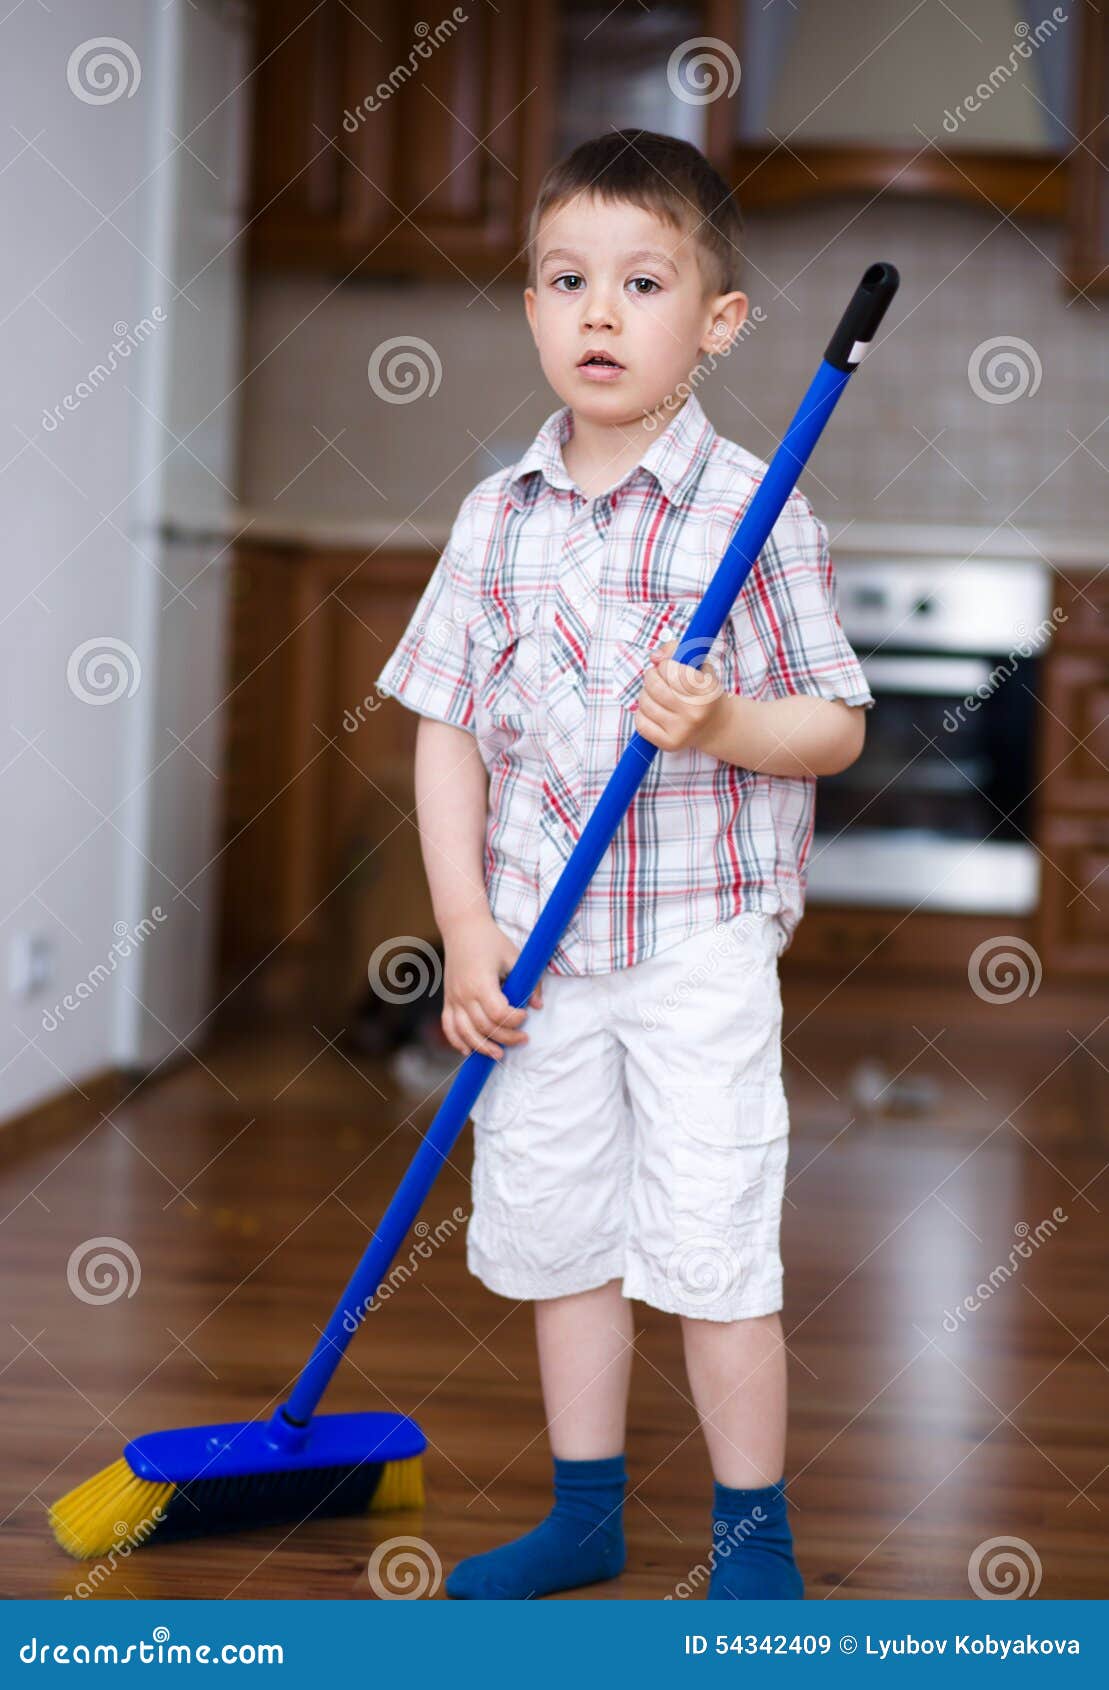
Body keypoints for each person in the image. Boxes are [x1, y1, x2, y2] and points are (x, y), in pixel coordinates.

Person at [374, 128, 872, 1601]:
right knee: (555, 1234)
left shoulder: (755, 514)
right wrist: (462, 928)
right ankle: (582, 1514)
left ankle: (750, 1545)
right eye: (564, 279)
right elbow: (448, 734)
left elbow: (835, 729)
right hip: (533, 954)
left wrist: (723, 719)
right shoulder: (494, 520)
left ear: (714, 323)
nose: (597, 312)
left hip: (696, 945)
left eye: (641, 281)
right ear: (528, 306)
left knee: (711, 1238)